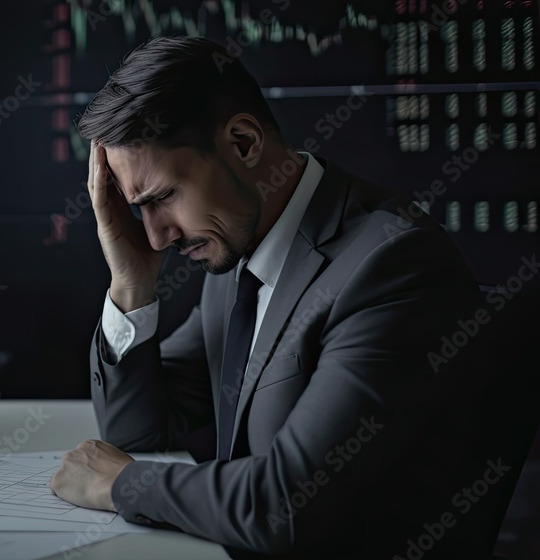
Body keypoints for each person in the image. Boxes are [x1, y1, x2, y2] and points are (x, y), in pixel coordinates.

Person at [49, 36, 492, 558]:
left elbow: (288, 503)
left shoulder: (391, 266)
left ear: (243, 142)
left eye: (163, 197)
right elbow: (140, 433)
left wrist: (122, 485)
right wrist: (131, 285)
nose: (155, 236)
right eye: (138, 209)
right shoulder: (239, 252)